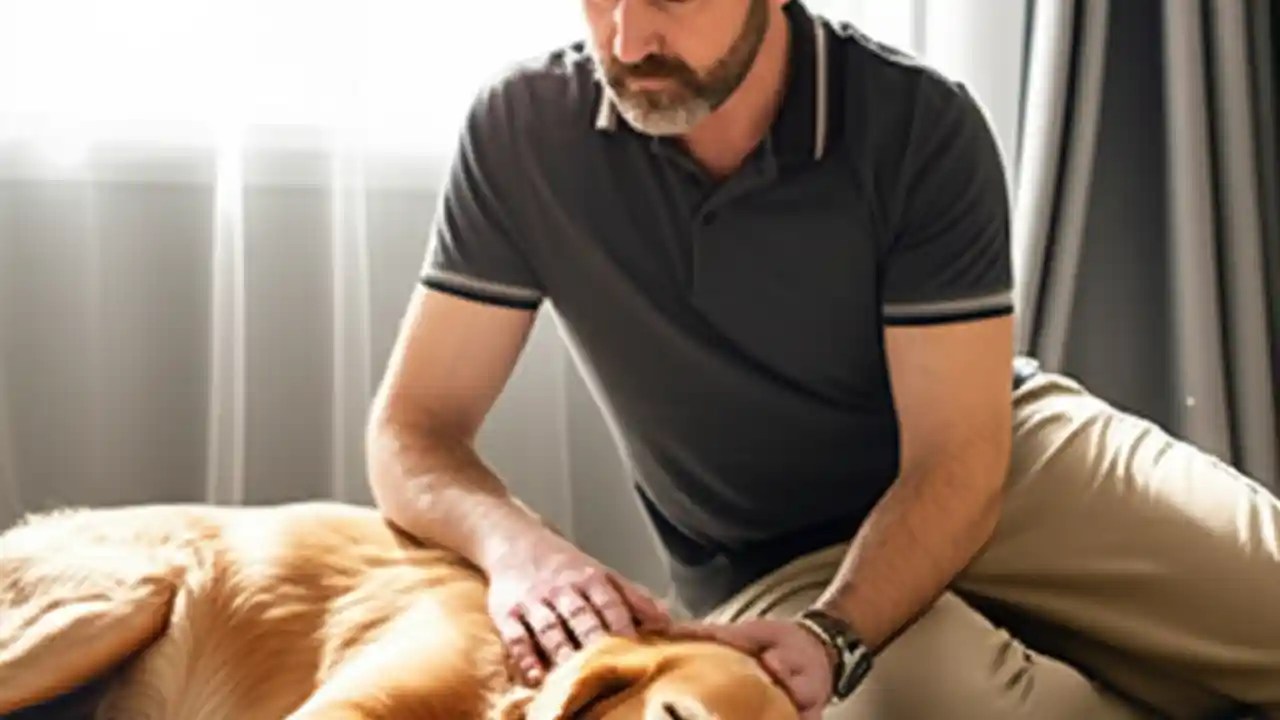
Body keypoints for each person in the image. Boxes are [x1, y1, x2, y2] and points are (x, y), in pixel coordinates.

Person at [365, 1, 1280, 718]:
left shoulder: (918, 124)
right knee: (949, 708)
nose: (629, 36)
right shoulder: (523, 130)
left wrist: (841, 637)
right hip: (774, 556)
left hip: (997, 457)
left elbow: (957, 459)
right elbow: (414, 432)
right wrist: (522, 554)